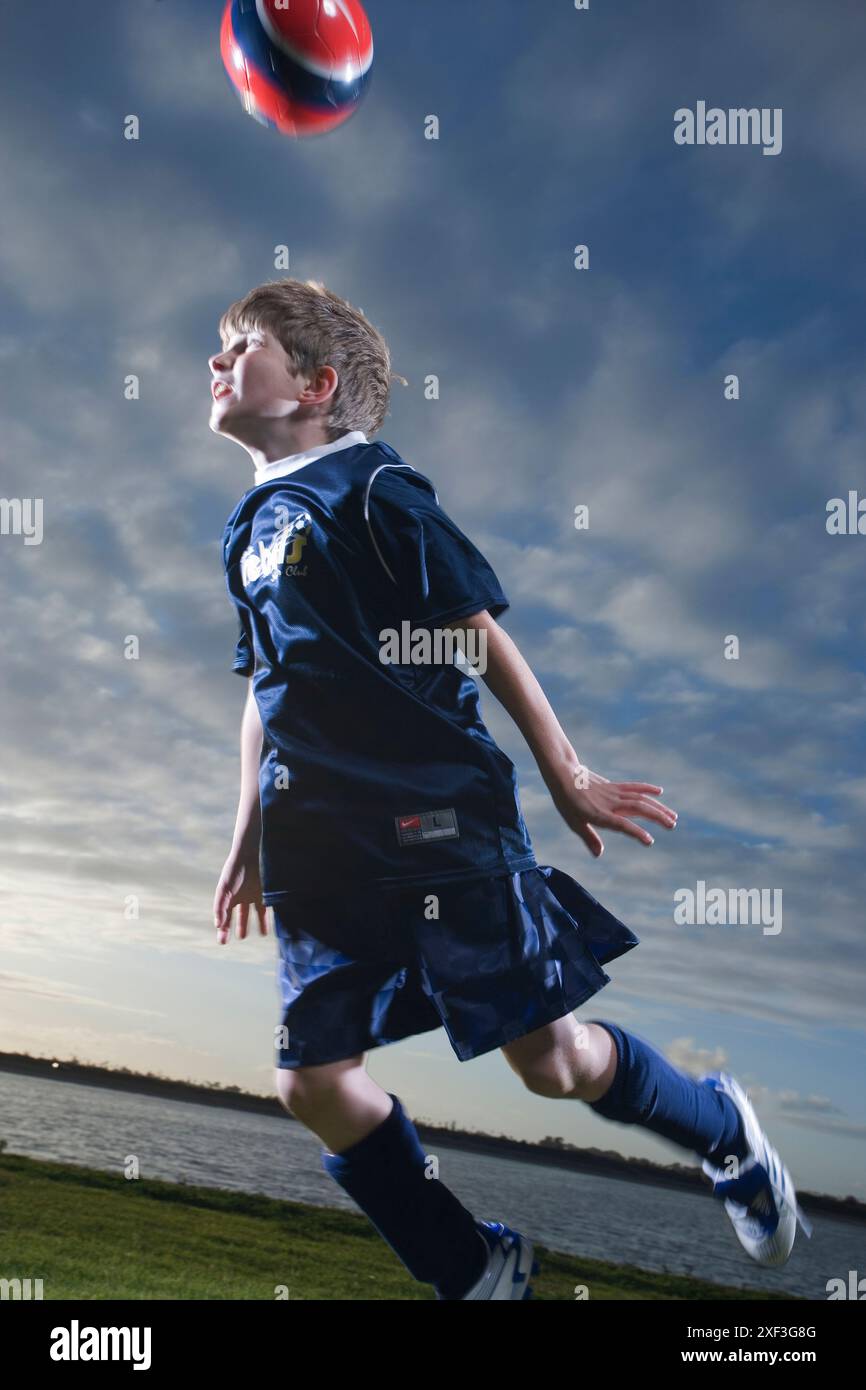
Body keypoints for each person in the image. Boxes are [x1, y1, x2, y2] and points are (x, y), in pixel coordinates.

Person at [211, 277, 810, 1300]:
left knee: (550, 1062)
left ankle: (721, 1128)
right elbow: (267, 691)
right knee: (309, 1081)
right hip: (318, 849)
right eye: (216, 349)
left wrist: (564, 769)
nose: (216, 363)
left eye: (241, 345)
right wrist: (247, 837)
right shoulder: (247, 527)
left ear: (315, 384)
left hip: (433, 826)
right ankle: (473, 1267)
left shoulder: (373, 491)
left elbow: (475, 633)